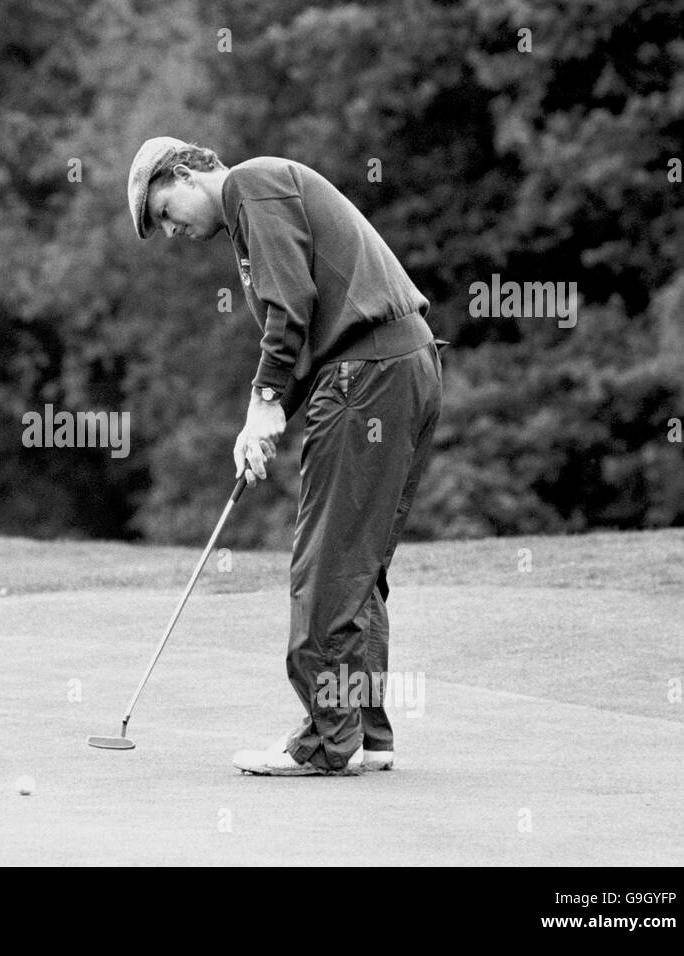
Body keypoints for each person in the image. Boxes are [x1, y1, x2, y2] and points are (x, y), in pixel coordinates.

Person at [126, 136, 446, 775]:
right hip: (399, 367)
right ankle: (364, 732)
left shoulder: (253, 185)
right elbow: (301, 330)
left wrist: (266, 397)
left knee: (327, 564)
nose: (171, 231)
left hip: (369, 375)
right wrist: (261, 422)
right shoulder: (256, 210)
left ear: (187, 172)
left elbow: (289, 308)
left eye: (165, 212)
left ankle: (327, 741)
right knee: (356, 563)